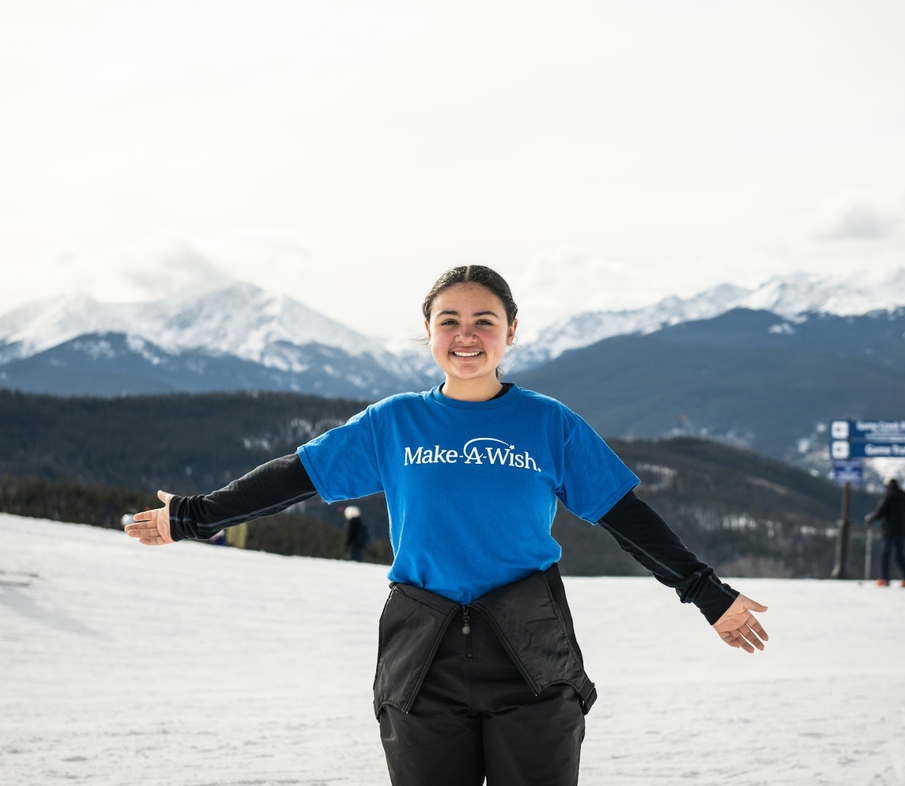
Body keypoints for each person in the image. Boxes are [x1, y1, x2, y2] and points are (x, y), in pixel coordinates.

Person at [125, 265, 769, 786]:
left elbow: (626, 517)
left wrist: (706, 592)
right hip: (421, 651)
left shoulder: (549, 424)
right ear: (428, 332)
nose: (467, 335)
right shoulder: (394, 423)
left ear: (511, 332)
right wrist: (192, 516)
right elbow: (294, 477)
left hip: (532, 654)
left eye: (484, 321)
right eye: (450, 321)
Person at [865, 478, 905, 587]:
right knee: (900, 556)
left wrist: (871, 518)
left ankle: (884, 578)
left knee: (885, 555)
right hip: (902, 531)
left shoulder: (888, 497)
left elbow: (880, 513)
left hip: (889, 531)